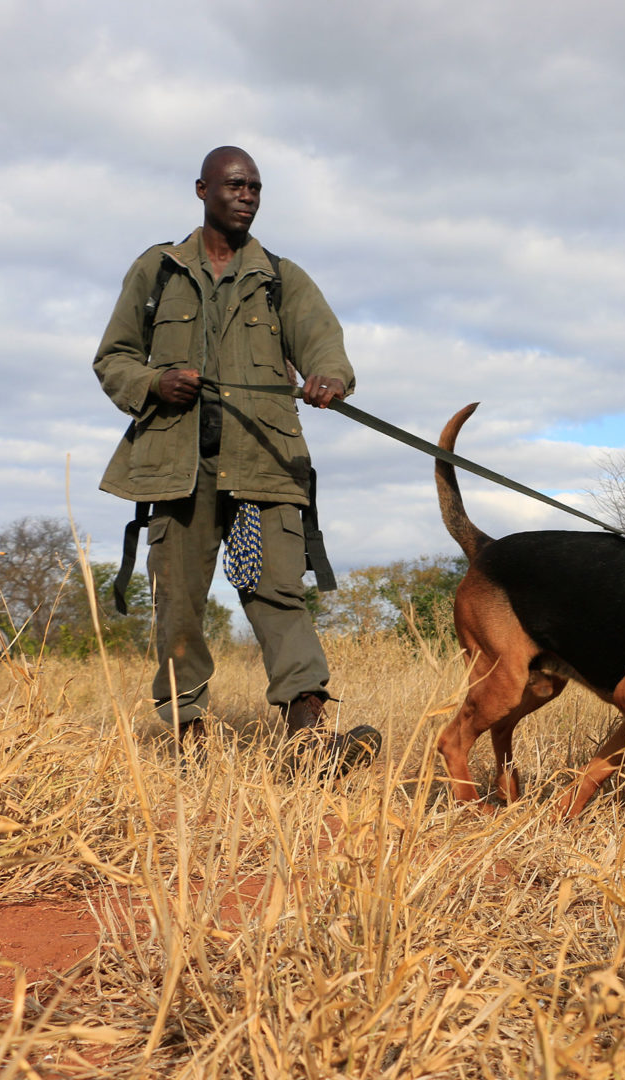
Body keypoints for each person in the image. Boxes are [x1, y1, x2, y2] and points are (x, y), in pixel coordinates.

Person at [92, 145, 379, 775]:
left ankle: (309, 742)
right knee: (179, 605)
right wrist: (153, 384)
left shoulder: (280, 277)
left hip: (264, 466)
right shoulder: (158, 270)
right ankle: (188, 737)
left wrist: (328, 378)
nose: (246, 195)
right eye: (234, 185)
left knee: (278, 594)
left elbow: (325, 345)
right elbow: (113, 358)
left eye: (254, 186)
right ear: (202, 190)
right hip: (178, 467)